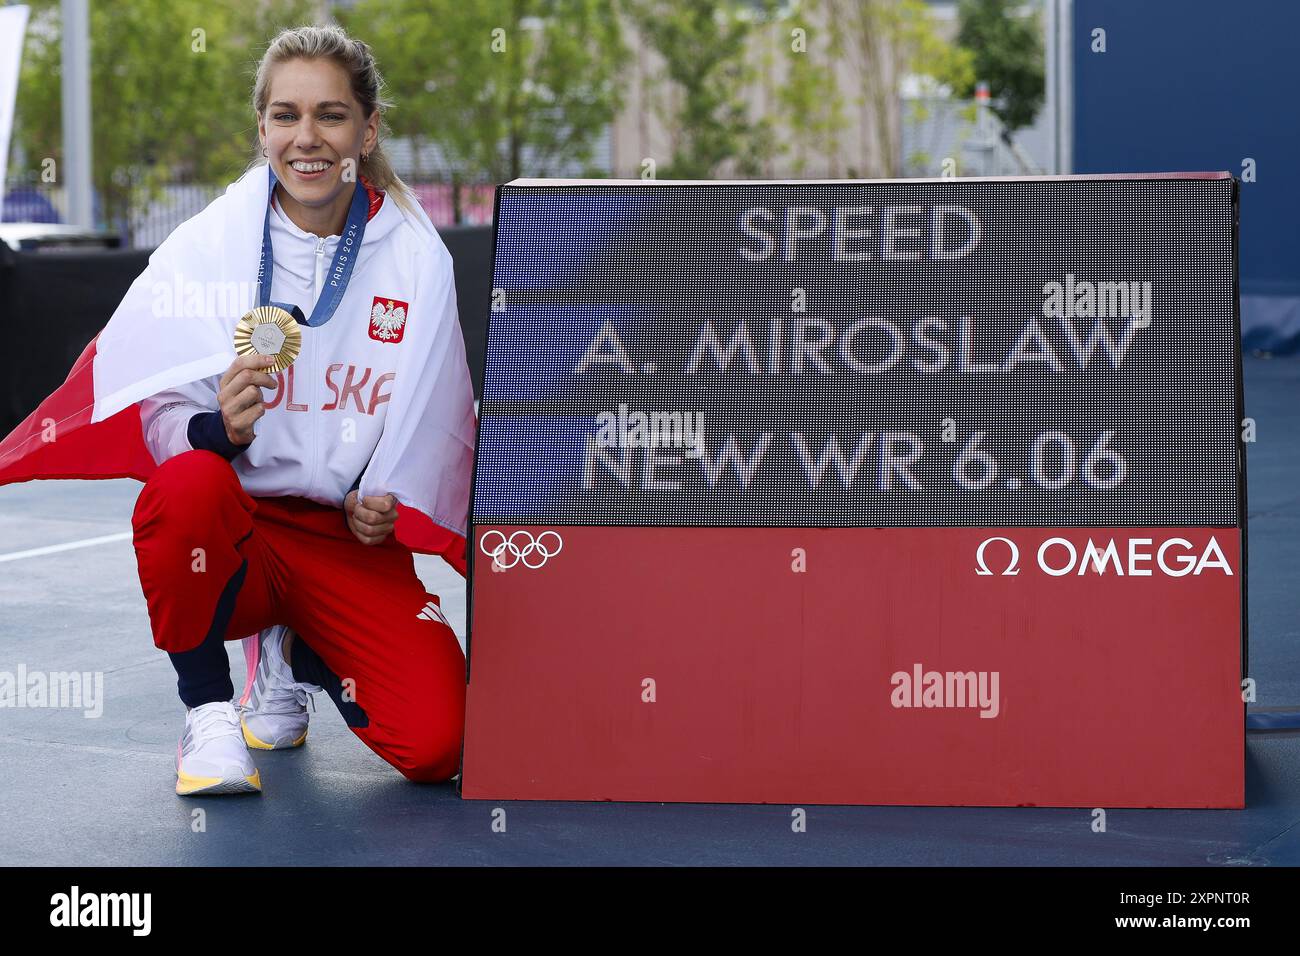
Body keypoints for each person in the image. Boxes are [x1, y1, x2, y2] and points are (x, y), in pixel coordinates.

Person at [0, 24, 476, 796]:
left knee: (439, 745)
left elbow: (436, 413)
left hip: (342, 542)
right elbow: (159, 416)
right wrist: (214, 430)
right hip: (239, 529)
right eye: (285, 115)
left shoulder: (415, 255)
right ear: (262, 128)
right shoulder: (209, 246)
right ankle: (208, 709)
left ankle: (294, 652)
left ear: (369, 126)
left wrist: (381, 494)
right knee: (186, 484)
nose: (307, 137)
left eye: (330, 114)